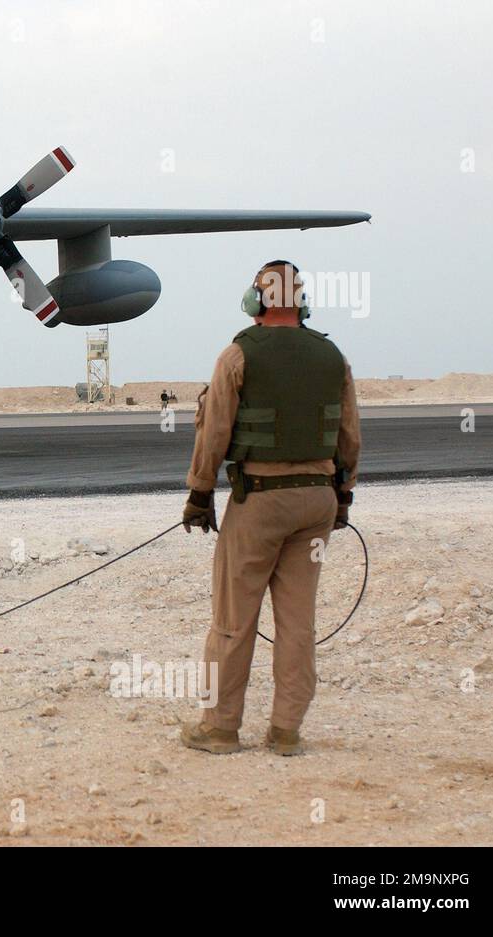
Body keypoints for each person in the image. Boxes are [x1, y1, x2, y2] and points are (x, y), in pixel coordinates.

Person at [179, 260, 361, 756]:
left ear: (257, 300)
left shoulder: (238, 355)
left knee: (234, 620)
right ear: (301, 302)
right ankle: (286, 731)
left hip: (259, 499)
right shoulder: (332, 356)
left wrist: (199, 494)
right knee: (298, 622)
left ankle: (219, 728)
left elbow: (214, 431)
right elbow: (349, 438)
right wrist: (342, 497)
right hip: (318, 502)